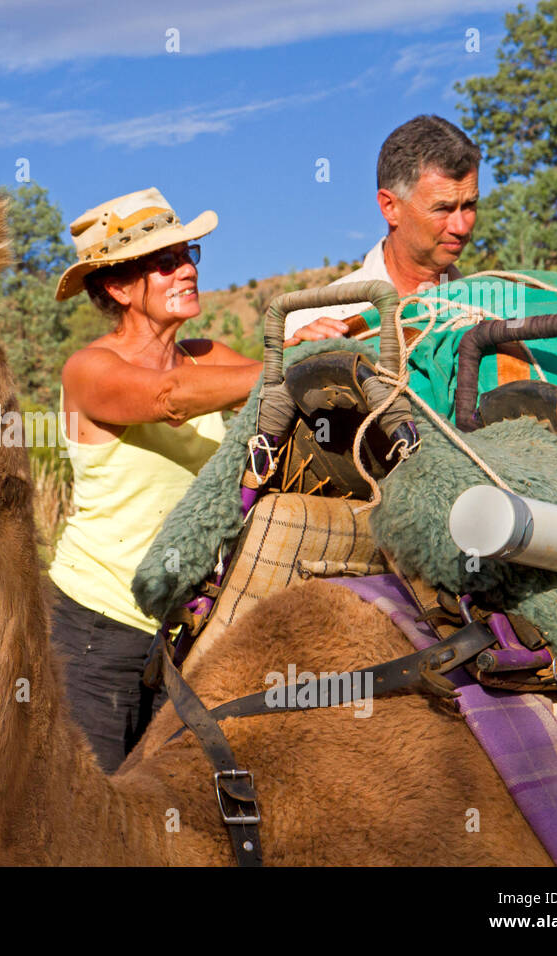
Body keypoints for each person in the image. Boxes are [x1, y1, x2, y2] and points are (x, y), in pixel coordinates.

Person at [48, 188, 343, 772]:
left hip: (184, 628)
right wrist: (285, 365)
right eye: (165, 263)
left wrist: (322, 351)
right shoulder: (90, 370)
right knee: (94, 807)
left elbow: (269, 383)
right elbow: (168, 398)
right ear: (118, 287)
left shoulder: (206, 356)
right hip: (95, 625)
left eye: (189, 255)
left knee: (169, 804)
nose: (186, 269)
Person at [284, 114, 481, 339]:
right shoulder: (316, 321)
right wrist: (299, 362)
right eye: (442, 209)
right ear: (390, 207)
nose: (461, 227)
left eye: (469, 205)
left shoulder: (491, 313)